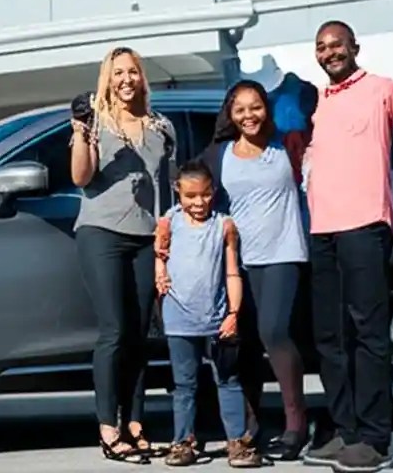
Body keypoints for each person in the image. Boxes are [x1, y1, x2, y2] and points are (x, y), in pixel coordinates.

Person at [300, 21, 393, 473]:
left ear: (354, 47)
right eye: (321, 47)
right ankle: (347, 432)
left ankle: (375, 440)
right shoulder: (317, 102)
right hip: (323, 231)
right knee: (330, 337)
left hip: (365, 226)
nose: (330, 52)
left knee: (369, 334)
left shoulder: (378, 89)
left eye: (337, 44)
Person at [70, 45, 178, 464]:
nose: (126, 79)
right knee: (114, 330)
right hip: (102, 233)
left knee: (138, 335)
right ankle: (108, 427)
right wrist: (80, 132)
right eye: (118, 74)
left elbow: (171, 185)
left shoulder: (161, 126)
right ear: (107, 80)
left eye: (133, 72)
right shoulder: (97, 122)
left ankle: (135, 423)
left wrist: (168, 235)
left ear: (142, 77)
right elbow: (81, 176)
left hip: (147, 237)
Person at [199, 80, 312, 460]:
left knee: (274, 331)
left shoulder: (286, 145)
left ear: (268, 108)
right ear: (230, 115)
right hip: (237, 261)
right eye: (240, 109)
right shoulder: (220, 155)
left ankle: (296, 423)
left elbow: (305, 90)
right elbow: (189, 188)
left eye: (256, 106)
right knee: (242, 340)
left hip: (283, 252)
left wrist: (287, 106)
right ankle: (250, 427)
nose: (249, 115)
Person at [153, 160, 261, 468]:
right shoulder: (168, 223)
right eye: (190, 196)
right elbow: (159, 261)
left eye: (204, 194)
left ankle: (237, 442)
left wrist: (233, 313)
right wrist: (159, 272)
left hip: (216, 320)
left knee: (228, 379)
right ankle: (183, 441)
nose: (198, 202)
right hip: (179, 320)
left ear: (212, 192)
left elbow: (231, 273)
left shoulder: (224, 226)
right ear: (178, 193)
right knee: (184, 384)